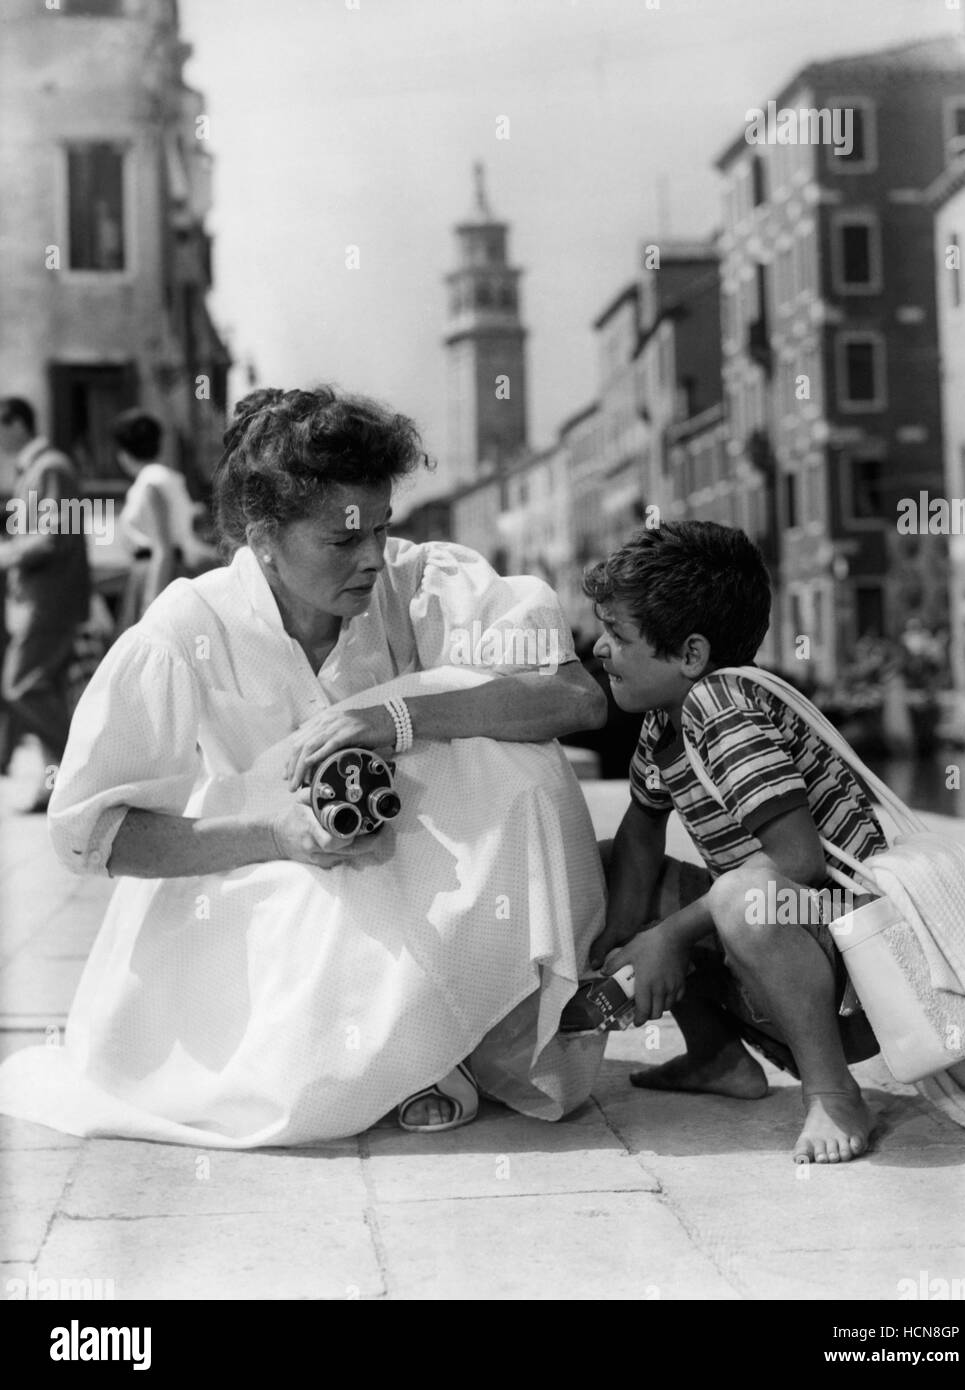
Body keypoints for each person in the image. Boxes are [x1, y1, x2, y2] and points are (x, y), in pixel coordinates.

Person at [0, 386, 608, 1148]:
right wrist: (273, 832)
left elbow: (573, 698)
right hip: (248, 885)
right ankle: (397, 1059)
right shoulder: (188, 626)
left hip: (394, 870)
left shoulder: (415, 582)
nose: (370, 559)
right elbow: (96, 837)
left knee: (522, 773)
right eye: (342, 539)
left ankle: (453, 1040)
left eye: (381, 529)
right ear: (263, 536)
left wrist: (395, 714)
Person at [579, 520, 885, 1165]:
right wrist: (619, 945)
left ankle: (831, 1090)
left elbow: (798, 863)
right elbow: (639, 835)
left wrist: (667, 937)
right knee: (612, 862)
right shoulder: (666, 715)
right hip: (797, 944)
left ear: (690, 654)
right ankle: (719, 1059)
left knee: (743, 897)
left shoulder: (721, 704)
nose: (599, 648)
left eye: (618, 635)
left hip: (861, 971)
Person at [0, 396, 91, 811]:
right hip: (40, 598)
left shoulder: (49, 468)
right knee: (45, 686)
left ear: (16, 424)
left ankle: (81, 771)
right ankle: (59, 783)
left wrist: (8, 554)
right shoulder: (38, 469)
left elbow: (57, 536)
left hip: (50, 599)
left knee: (21, 685)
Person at [112, 409, 219, 631]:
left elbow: (163, 547)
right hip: (175, 569)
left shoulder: (149, 484)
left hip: (155, 572)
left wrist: (150, 603)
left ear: (123, 453)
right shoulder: (170, 478)